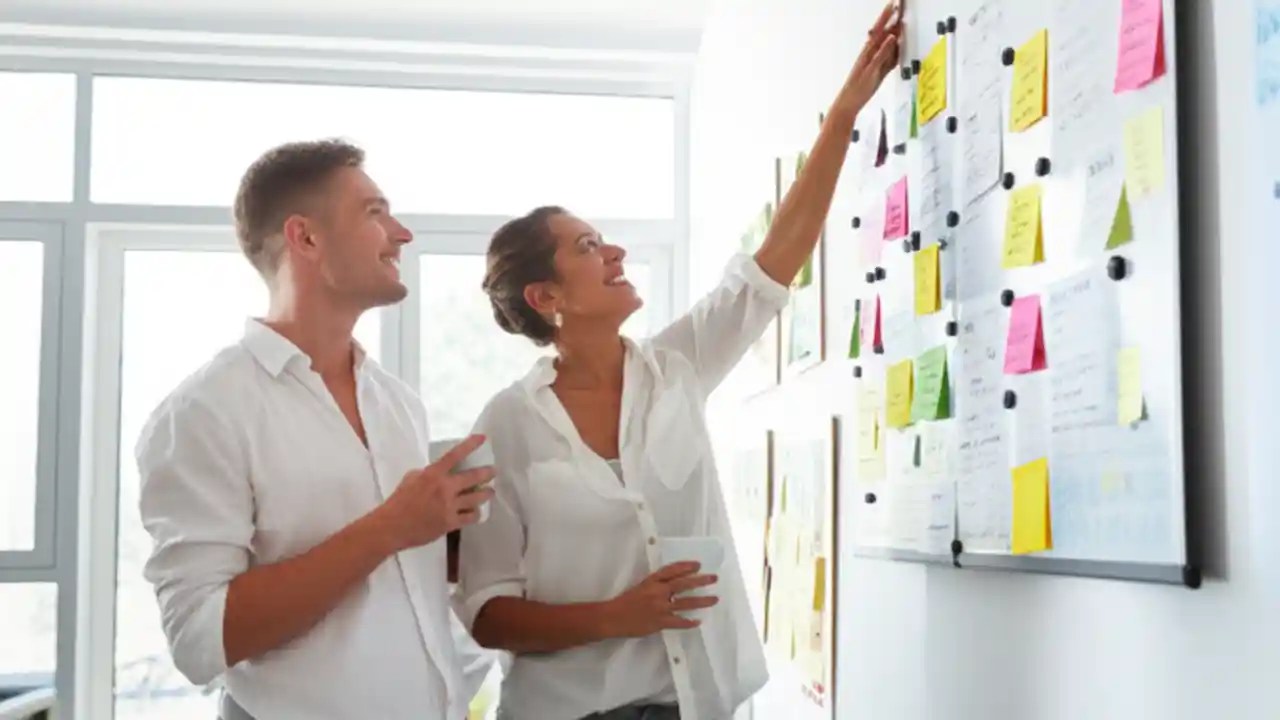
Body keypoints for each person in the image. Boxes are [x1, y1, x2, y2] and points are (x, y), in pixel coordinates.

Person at [455, 6, 903, 720]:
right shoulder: (506, 424)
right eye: (587, 247)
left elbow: (772, 263)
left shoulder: (675, 368)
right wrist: (616, 616)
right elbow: (487, 612)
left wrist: (846, 110)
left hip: (694, 706)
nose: (615, 253)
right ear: (546, 298)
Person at [136, 139, 496, 719]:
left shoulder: (398, 404)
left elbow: (391, 585)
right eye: (375, 213)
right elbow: (200, 639)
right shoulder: (204, 411)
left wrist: (442, 546)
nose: (402, 234)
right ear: (305, 237)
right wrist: (390, 528)